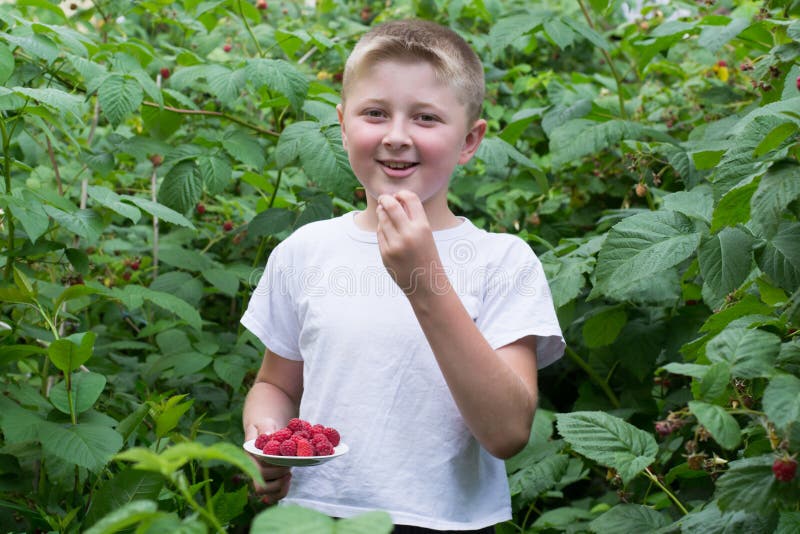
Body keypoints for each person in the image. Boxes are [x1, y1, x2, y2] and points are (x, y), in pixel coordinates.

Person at [241, 18, 565, 533]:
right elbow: (275, 385)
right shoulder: (305, 251)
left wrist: (424, 281)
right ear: (343, 123)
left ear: (469, 140)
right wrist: (267, 436)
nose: (396, 136)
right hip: (313, 515)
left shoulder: (503, 262)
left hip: (446, 522)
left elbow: (506, 432)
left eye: (426, 118)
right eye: (375, 113)